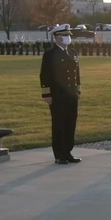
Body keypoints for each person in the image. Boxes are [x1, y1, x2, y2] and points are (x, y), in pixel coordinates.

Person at [40, 24, 82, 164]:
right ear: (57, 37)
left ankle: (68, 151)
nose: (68, 38)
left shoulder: (73, 52)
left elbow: (77, 74)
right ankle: (59, 154)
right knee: (59, 123)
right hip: (58, 95)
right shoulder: (50, 55)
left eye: (69, 35)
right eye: (64, 35)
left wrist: (78, 90)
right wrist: (46, 94)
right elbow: (44, 75)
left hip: (71, 94)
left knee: (71, 122)